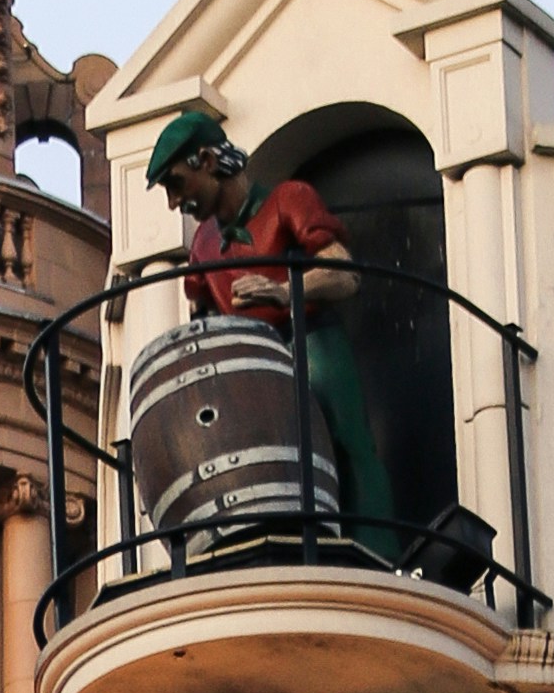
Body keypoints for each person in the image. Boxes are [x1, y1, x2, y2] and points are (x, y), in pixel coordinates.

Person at [147, 102, 385, 526]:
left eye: (177, 184)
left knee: (344, 442)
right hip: (249, 370)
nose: (174, 202)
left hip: (311, 340)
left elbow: (343, 272)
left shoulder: (287, 199)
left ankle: (375, 547)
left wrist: (284, 290)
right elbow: (199, 321)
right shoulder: (202, 244)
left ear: (207, 160)